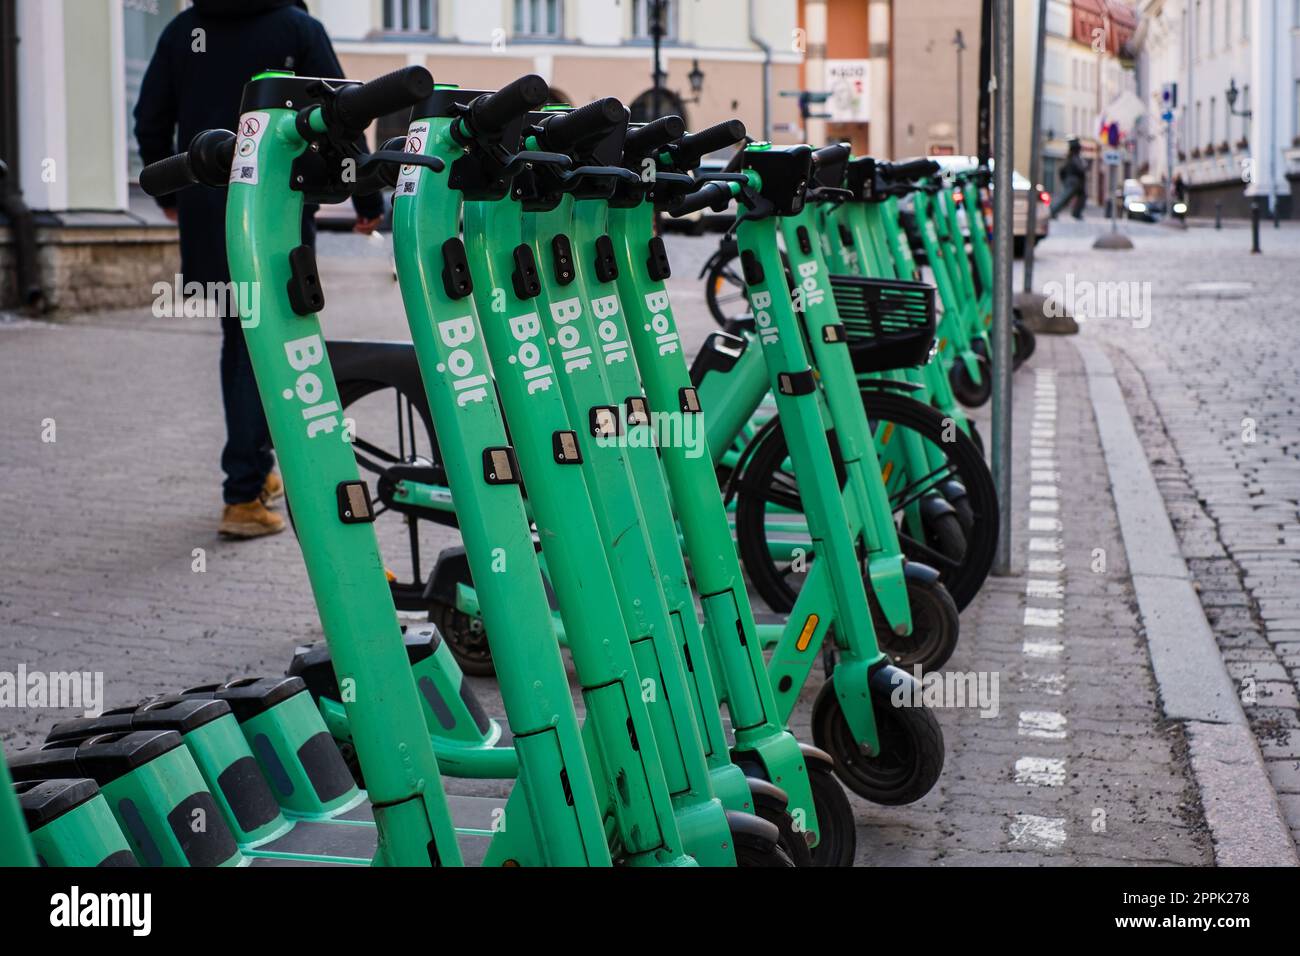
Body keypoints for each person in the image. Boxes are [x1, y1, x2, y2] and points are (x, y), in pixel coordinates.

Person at [134, 0, 383, 539]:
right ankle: (243, 492)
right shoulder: (298, 29)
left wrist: (171, 189)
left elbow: (150, 117)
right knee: (273, 339)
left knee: (241, 338)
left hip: (208, 206)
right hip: (278, 209)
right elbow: (345, 116)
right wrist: (366, 200)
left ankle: (257, 470)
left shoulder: (184, 30)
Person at [1049, 138, 1088, 221]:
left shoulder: (1071, 157)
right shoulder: (1075, 158)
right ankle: (1052, 211)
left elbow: (1062, 170)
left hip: (1073, 181)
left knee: (1080, 197)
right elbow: (1080, 169)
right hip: (1074, 181)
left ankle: (1076, 213)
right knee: (1065, 197)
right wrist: (1085, 167)